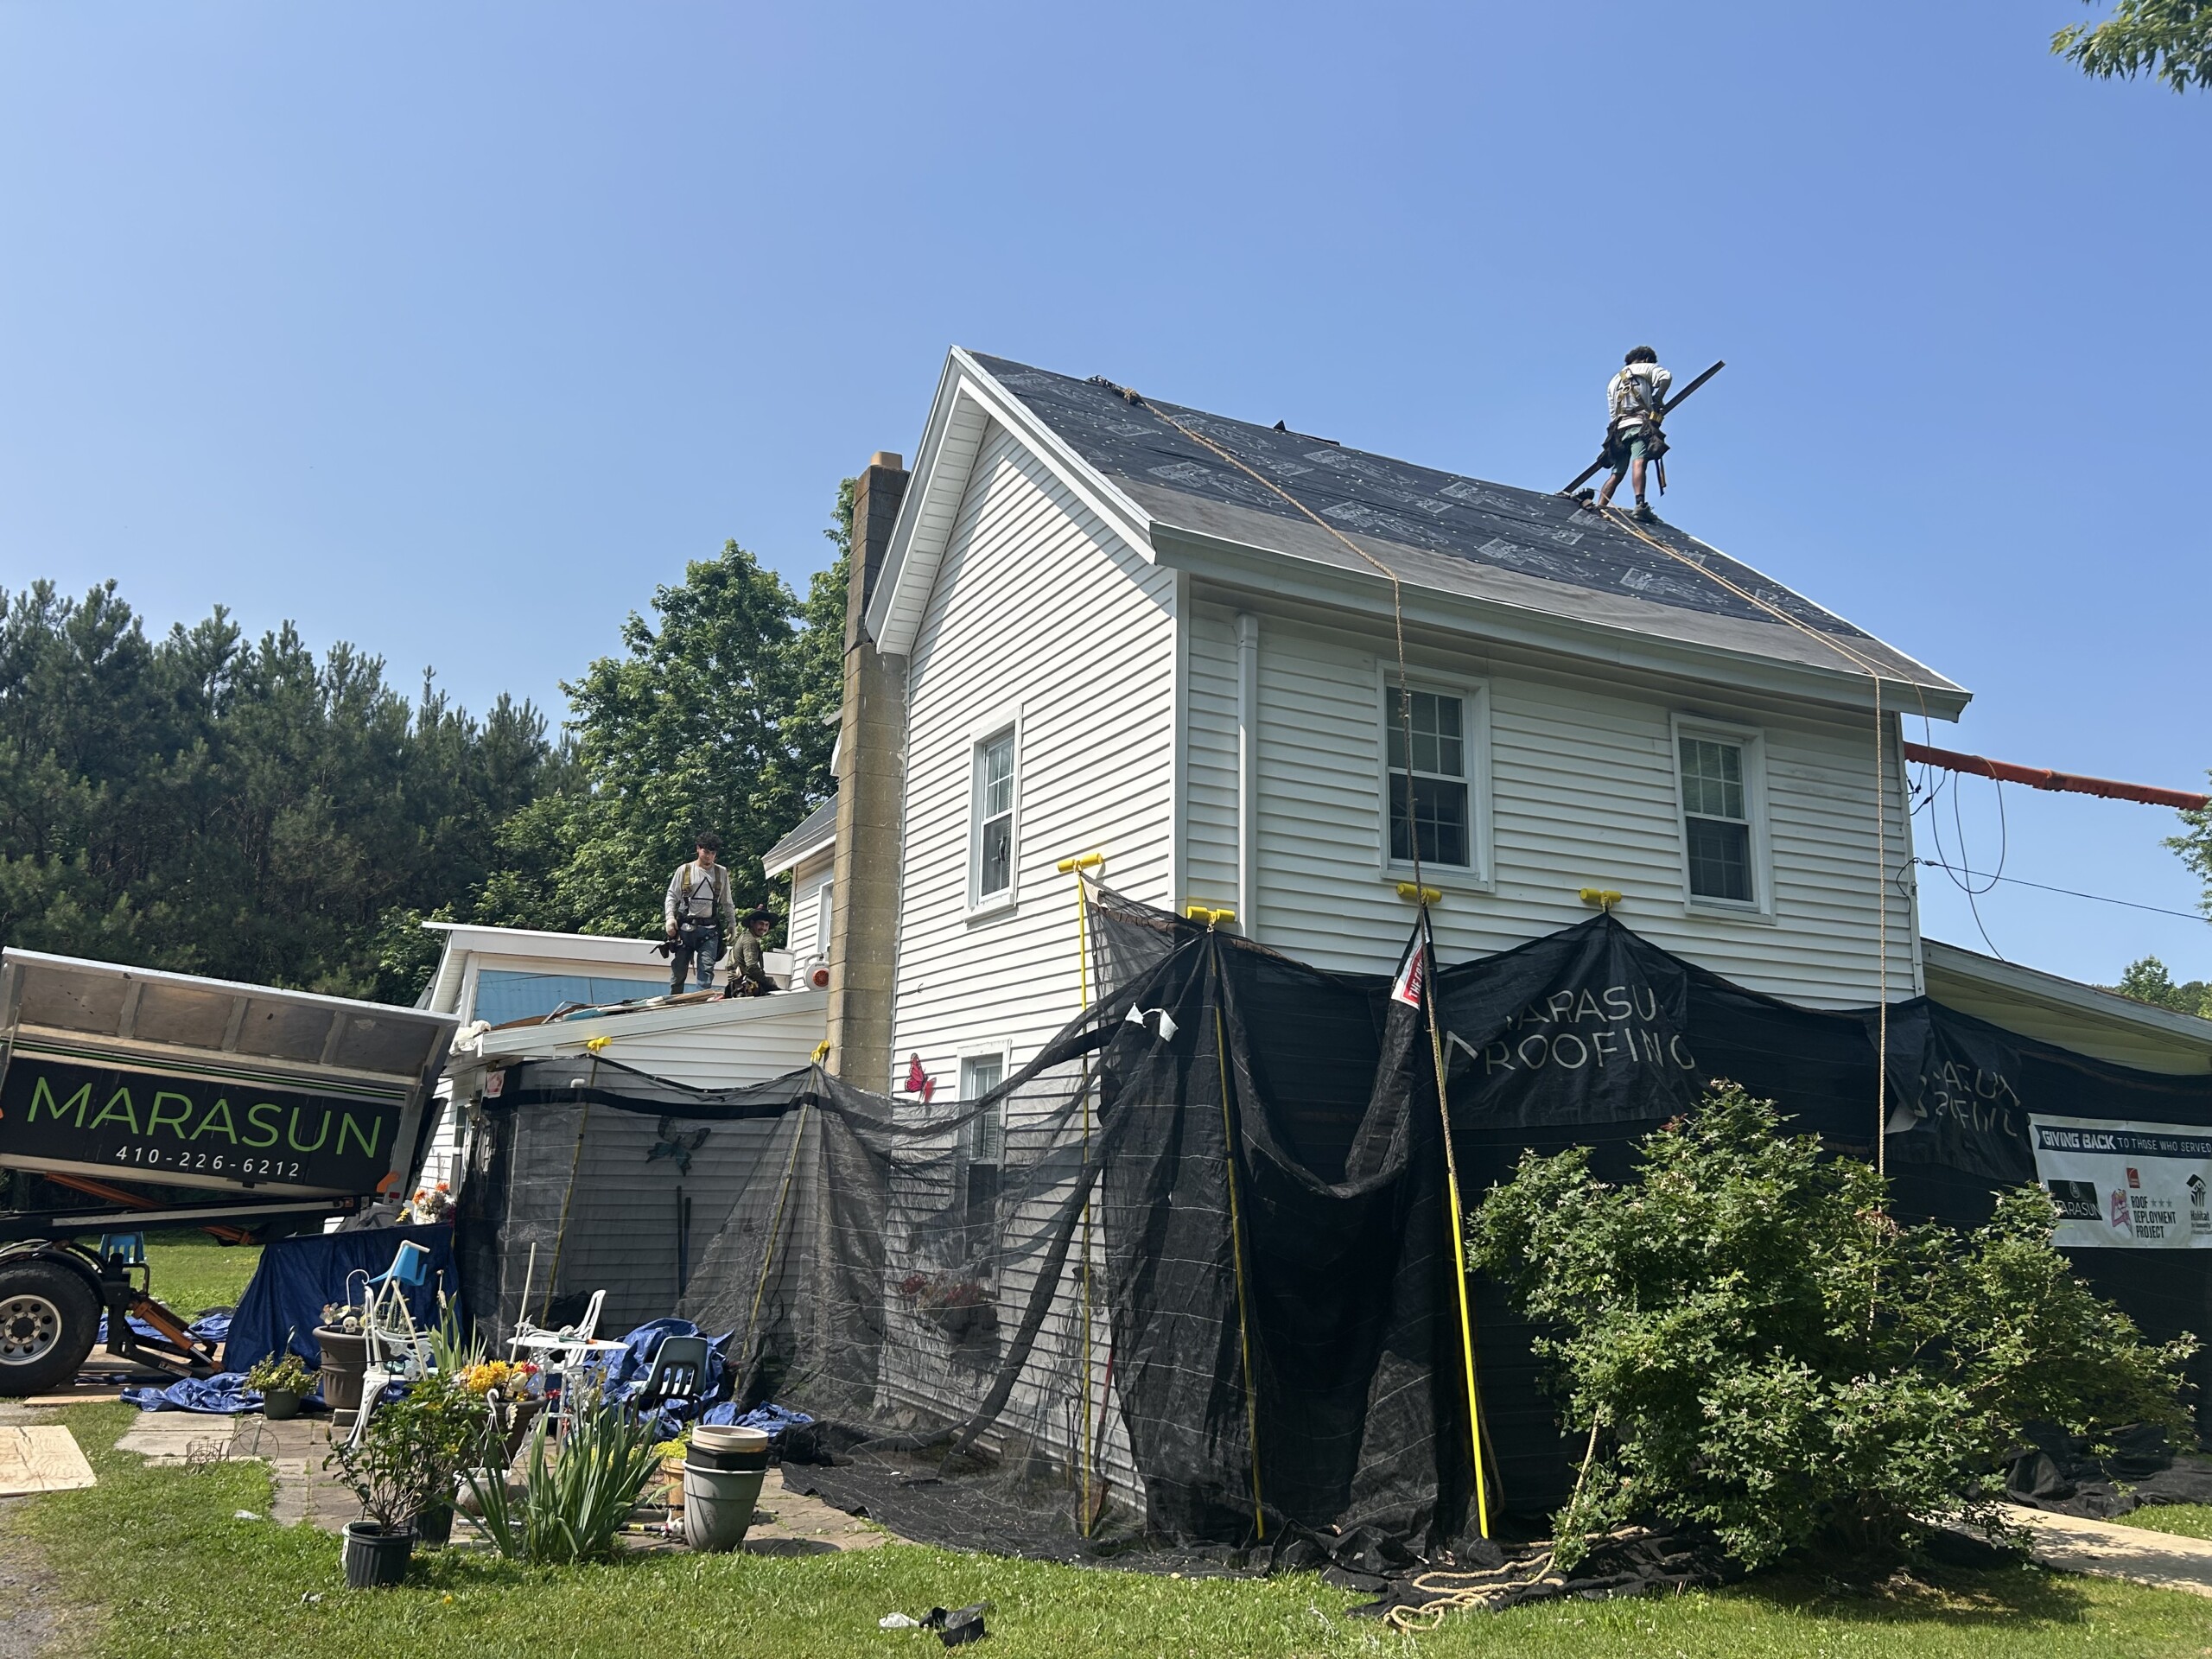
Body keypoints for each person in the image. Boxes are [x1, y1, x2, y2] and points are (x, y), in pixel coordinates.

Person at [1592, 346, 1673, 522]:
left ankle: (1601, 505)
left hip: (1620, 429)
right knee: (1639, 462)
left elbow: (1613, 412)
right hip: (1639, 425)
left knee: (1617, 473)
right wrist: (1657, 399)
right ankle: (1640, 504)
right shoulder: (1646, 367)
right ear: (1645, 359)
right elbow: (1666, 377)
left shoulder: (1614, 381)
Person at [664, 833, 737, 995]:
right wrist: (670, 918)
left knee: (706, 972)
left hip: (710, 931)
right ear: (698, 849)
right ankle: (673, 1003)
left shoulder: (721, 873)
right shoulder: (685, 870)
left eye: (713, 853)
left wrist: (732, 924)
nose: (709, 856)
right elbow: (671, 895)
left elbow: (727, 901)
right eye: (706, 852)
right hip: (685, 929)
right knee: (678, 972)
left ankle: (700, 1005)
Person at [726, 907, 776, 998]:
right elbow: (751, 967)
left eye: (766, 925)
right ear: (752, 923)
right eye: (761, 924)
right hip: (743, 987)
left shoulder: (745, 937)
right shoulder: (750, 941)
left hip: (736, 986)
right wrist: (768, 983)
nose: (764, 928)